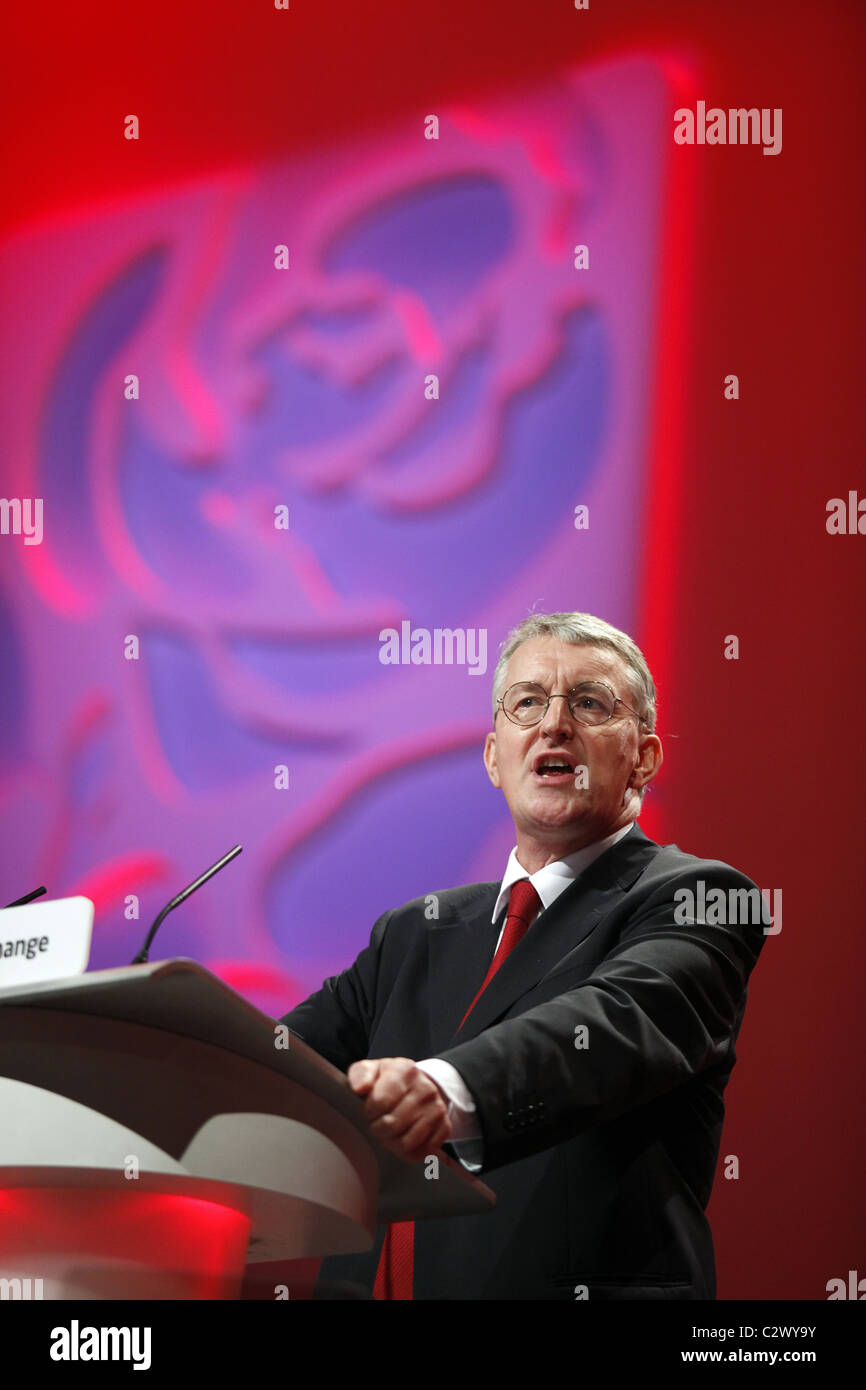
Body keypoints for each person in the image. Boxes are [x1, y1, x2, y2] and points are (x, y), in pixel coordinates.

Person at [280, 611, 767, 1299]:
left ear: (644, 757)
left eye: (590, 704)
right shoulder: (415, 932)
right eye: (528, 702)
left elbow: (611, 1025)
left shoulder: (698, 898)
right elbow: (278, 1060)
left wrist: (444, 1091)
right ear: (493, 756)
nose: (555, 725)